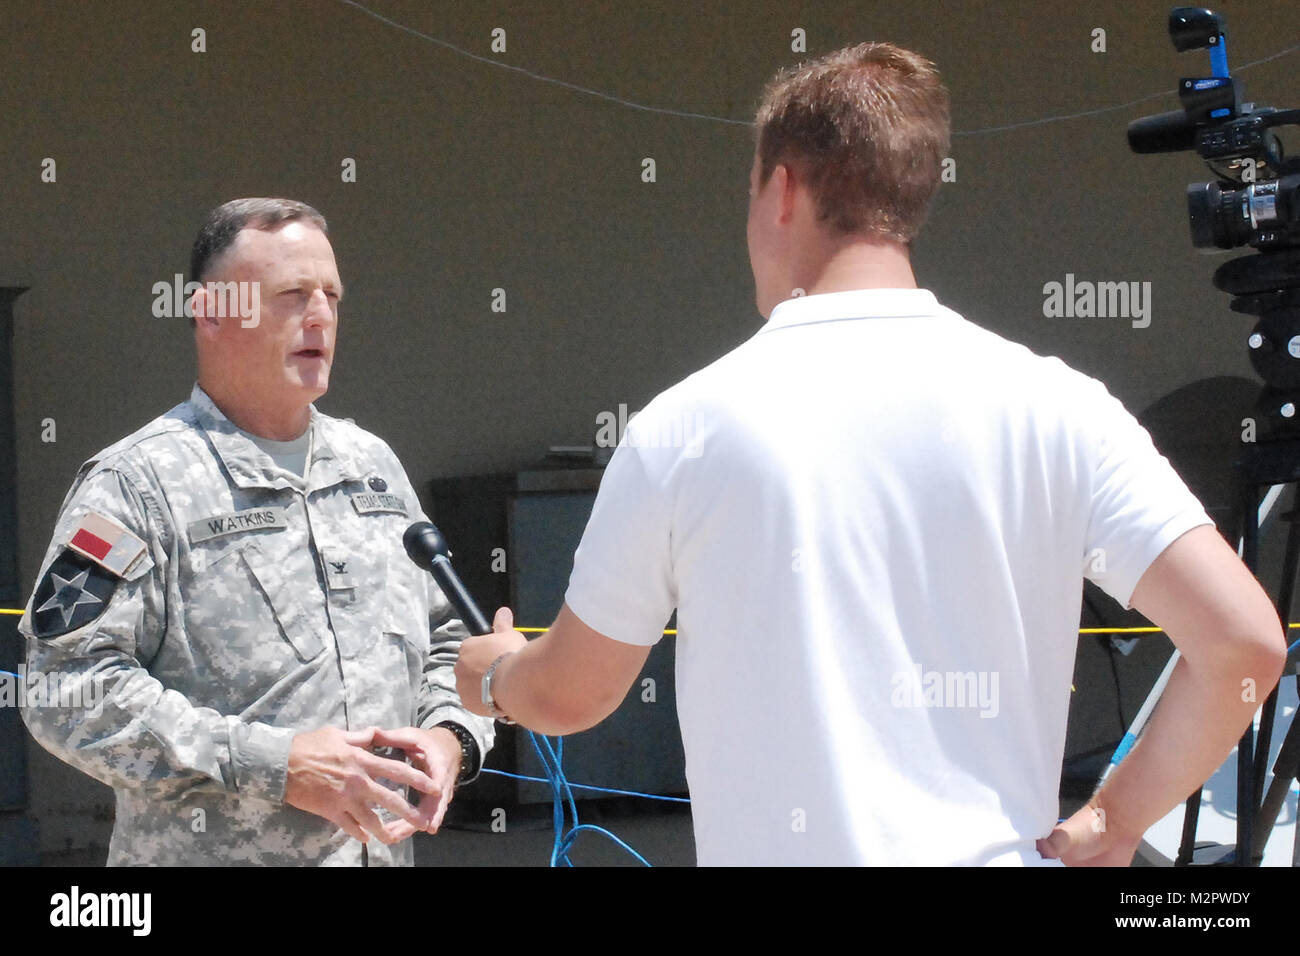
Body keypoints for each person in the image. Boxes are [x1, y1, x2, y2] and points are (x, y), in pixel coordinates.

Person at [454, 43, 1287, 865]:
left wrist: (497, 678)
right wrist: (1114, 818)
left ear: (782, 190)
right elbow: (1244, 642)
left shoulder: (684, 426)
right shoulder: (1061, 407)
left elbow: (575, 691)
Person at [20, 198, 493, 865]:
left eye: (331, 295)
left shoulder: (372, 467)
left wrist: (451, 736)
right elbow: (65, 690)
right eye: (292, 295)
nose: (322, 315)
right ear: (212, 313)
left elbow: (451, 638)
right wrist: (276, 763)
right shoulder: (135, 485)